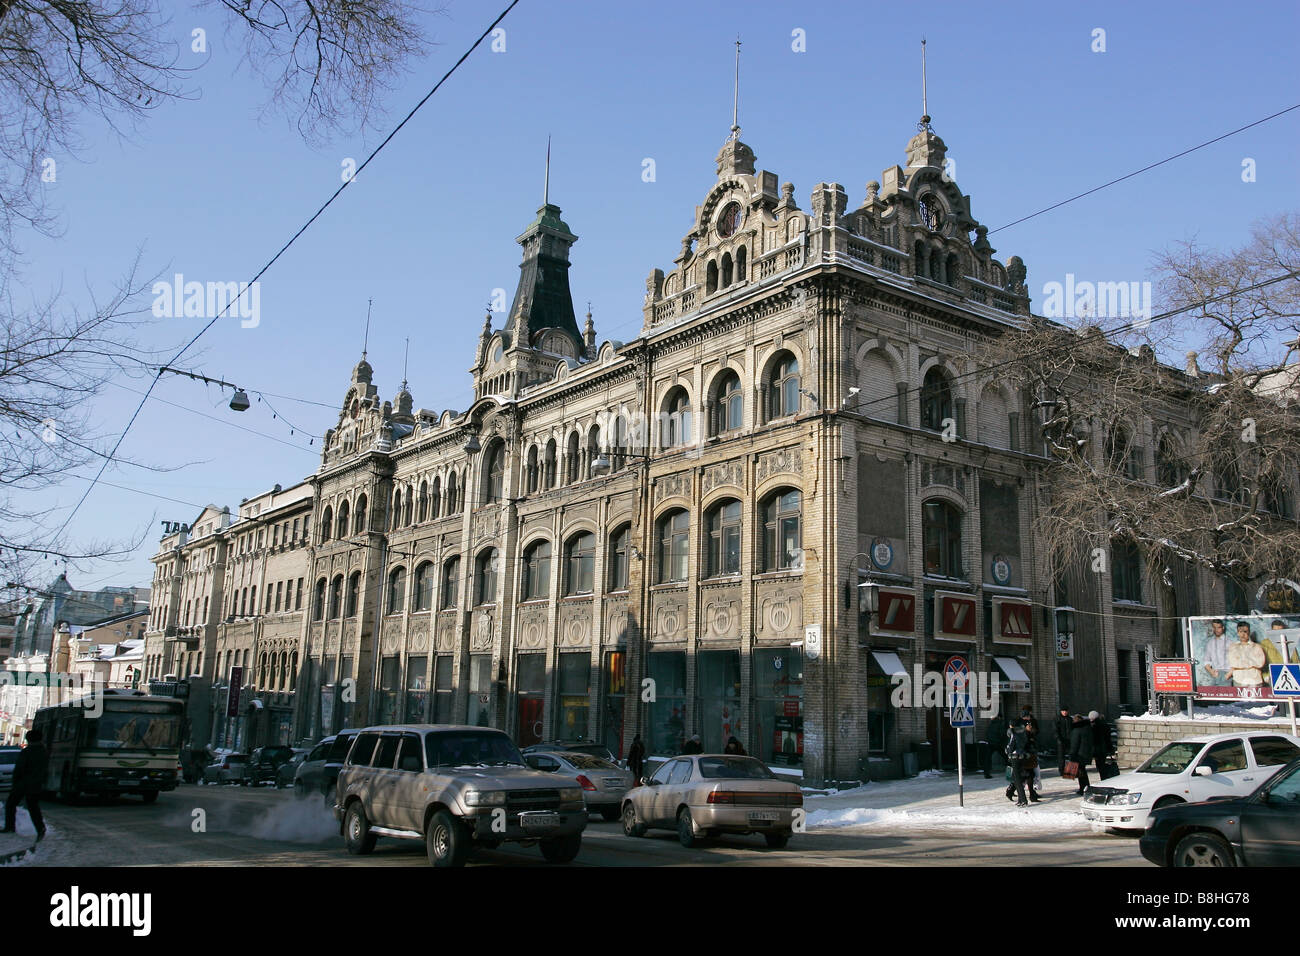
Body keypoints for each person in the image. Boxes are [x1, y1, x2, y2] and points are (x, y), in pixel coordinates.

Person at [2, 728, 48, 841]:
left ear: (29, 739)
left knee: (11, 804)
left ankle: (10, 827)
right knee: (33, 807)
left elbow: (20, 768)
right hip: (36, 784)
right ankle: (40, 828)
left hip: (23, 783)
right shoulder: (43, 751)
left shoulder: (28, 751)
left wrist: (16, 782)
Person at [1003, 719, 1035, 807]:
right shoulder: (1023, 733)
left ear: (1011, 726)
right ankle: (1020, 799)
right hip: (1023, 757)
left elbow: (1011, 746)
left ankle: (1023, 800)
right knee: (1018, 778)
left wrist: (1007, 750)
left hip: (1015, 757)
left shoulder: (1013, 733)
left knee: (1017, 780)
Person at [1228, 622, 1267, 687]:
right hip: (1239, 680)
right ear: (1238, 633)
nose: (1243, 635)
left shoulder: (1257, 647)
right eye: (1240, 632)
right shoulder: (1233, 647)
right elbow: (1233, 663)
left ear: (1249, 632)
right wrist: (1252, 663)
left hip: (1255, 680)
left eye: (1245, 632)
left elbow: (1260, 663)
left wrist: (1241, 662)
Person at [1067, 714, 1094, 794]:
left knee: (1081, 773)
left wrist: (1072, 754)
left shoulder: (1076, 730)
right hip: (1086, 753)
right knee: (1082, 771)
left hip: (1079, 755)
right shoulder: (1088, 729)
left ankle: (1084, 788)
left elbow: (1074, 744)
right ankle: (1084, 788)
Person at [1201, 619, 1231, 685]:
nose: (1216, 630)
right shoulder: (1210, 643)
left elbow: (1236, 661)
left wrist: (1228, 675)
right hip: (1214, 674)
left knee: (1225, 694)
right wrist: (1211, 672)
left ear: (1223, 628)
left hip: (1226, 674)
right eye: (1214, 627)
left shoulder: (1229, 642)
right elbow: (1206, 661)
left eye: (1218, 627)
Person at [1088, 710, 1111, 781]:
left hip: (1098, 749)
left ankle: (1104, 779)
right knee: (1102, 765)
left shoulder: (1093, 726)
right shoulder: (1104, 725)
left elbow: (1093, 739)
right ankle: (1104, 778)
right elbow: (1108, 738)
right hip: (1103, 748)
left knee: (1100, 766)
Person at [983, 714, 1007, 778]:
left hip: (990, 743)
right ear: (999, 717)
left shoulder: (990, 724)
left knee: (987, 759)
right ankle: (1012, 769)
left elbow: (987, 733)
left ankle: (986, 773)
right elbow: (1002, 734)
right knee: (1006, 757)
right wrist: (1001, 742)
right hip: (998, 743)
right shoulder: (1000, 723)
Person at [1054, 705, 1073, 775]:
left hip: (1069, 740)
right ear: (1061, 711)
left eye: (1066, 711)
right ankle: (1061, 771)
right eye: (1063, 711)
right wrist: (1058, 739)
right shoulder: (1057, 719)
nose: (1065, 712)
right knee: (1061, 756)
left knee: (1071, 755)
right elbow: (1055, 730)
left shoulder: (1070, 719)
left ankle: (1070, 771)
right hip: (1061, 740)